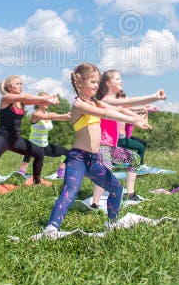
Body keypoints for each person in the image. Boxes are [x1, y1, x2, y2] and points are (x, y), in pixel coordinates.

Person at [43, 63, 151, 235]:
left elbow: (121, 106)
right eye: (92, 81)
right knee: (70, 190)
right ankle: (51, 227)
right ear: (79, 83)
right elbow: (106, 114)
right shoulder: (79, 104)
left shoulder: (96, 103)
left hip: (94, 160)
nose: (96, 85)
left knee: (116, 189)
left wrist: (152, 99)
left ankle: (112, 223)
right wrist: (134, 120)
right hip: (78, 158)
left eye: (97, 82)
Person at [90, 70, 165, 207]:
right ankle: (94, 204)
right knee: (106, 171)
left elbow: (126, 110)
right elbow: (129, 102)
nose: (121, 81)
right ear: (108, 83)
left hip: (112, 147)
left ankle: (129, 194)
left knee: (134, 158)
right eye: (118, 79)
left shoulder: (114, 102)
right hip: (101, 146)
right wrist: (154, 96)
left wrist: (140, 119)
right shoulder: (106, 100)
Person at [0, 76, 59, 189]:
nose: (20, 86)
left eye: (21, 84)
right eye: (17, 84)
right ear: (9, 87)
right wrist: (47, 97)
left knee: (39, 153)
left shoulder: (22, 102)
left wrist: (48, 100)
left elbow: (35, 100)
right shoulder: (6, 98)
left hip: (15, 140)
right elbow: (25, 96)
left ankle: (36, 181)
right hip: (2, 137)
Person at [17, 92, 71, 179]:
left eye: (47, 100)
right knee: (28, 152)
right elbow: (49, 116)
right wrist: (63, 115)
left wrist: (70, 115)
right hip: (33, 145)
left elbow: (59, 117)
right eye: (44, 100)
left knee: (67, 152)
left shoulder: (49, 114)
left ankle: (60, 172)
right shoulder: (35, 114)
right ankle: (21, 173)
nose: (47, 102)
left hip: (44, 146)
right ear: (38, 102)